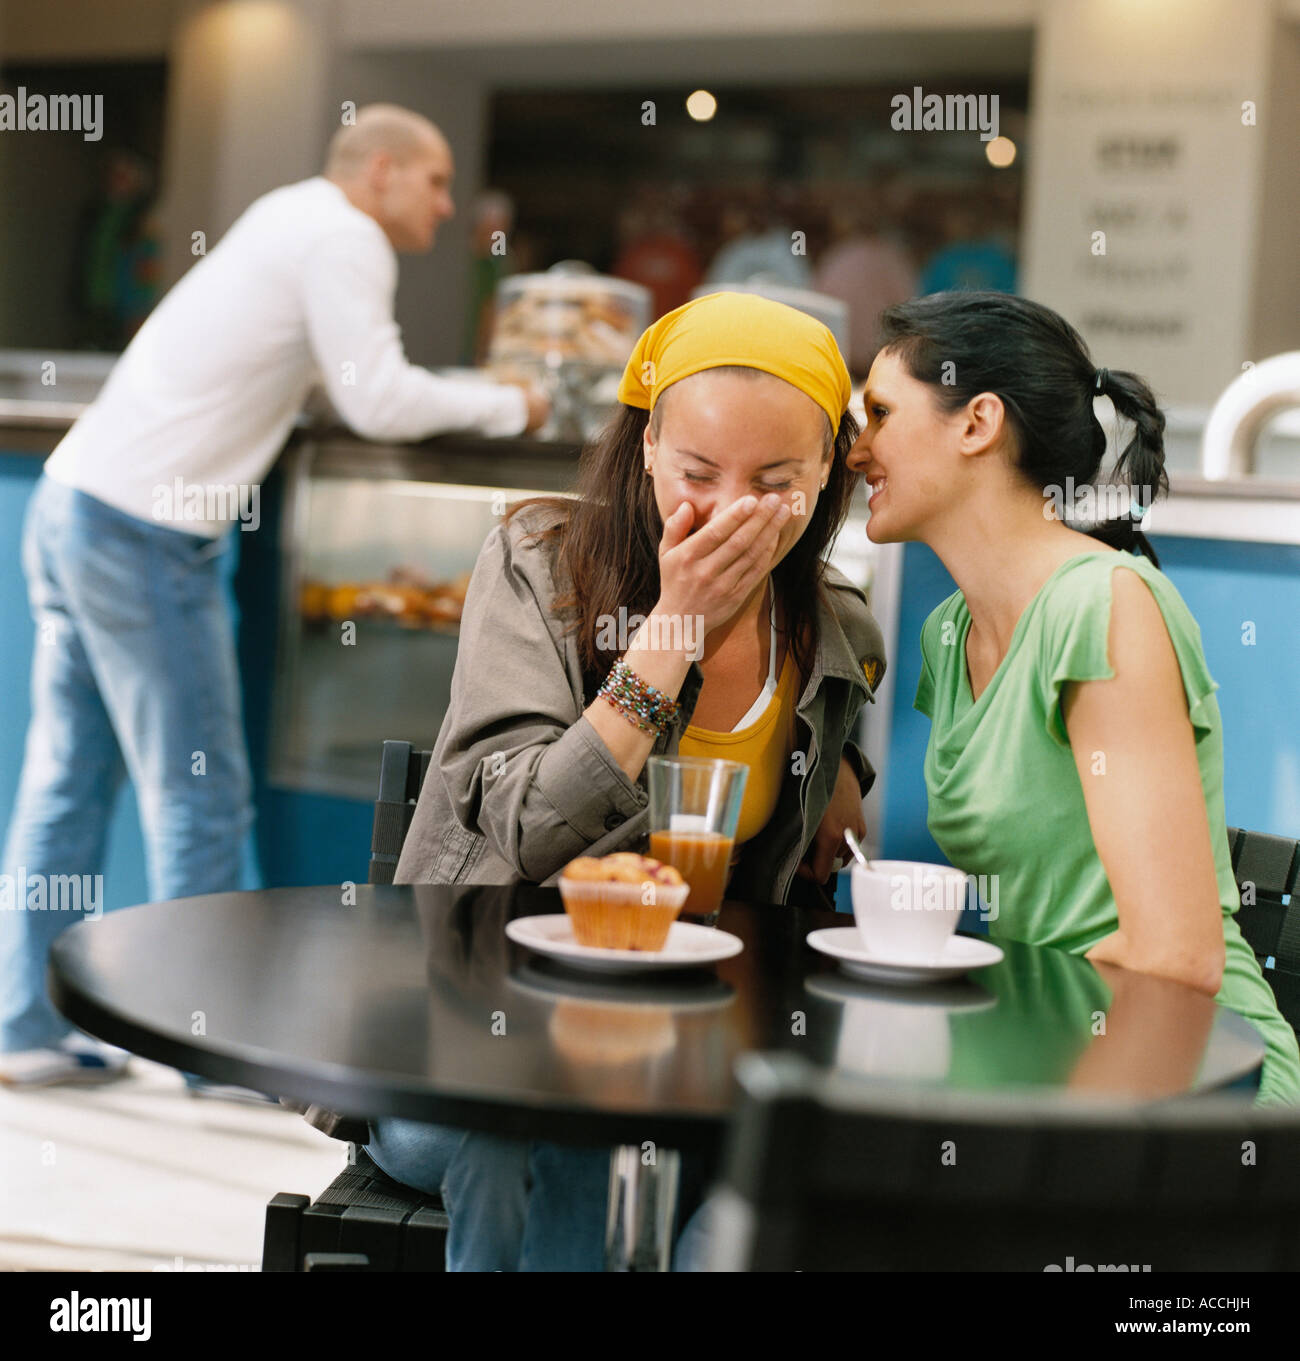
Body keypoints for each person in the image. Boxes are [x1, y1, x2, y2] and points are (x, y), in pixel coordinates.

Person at [0, 104, 548, 1089]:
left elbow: (334, 382)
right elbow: (377, 399)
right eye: (432, 182)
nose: (447, 203)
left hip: (76, 500)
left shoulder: (287, 216)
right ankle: (203, 1047)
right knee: (198, 793)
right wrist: (515, 400)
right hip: (143, 532)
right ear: (379, 170)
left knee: (67, 779)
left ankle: (24, 1028)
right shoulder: (343, 234)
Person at [365, 291, 889, 1269]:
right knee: (558, 1137)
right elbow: (526, 827)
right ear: (646, 451)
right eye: (697, 471)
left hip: (693, 1065)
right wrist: (671, 634)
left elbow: (806, 785)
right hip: (477, 1055)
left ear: (826, 476)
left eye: (774, 480)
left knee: (771, 1186)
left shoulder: (837, 626)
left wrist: (843, 772)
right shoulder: (538, 563)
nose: (730, 507)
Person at [846, 289, 1300, 1105]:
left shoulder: (1103, 604)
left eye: (878, 413)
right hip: (1052, 1054)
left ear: (977, 424)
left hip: (1190, 1081)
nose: (857, 450)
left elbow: (1177, 956)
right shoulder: (948, 634)